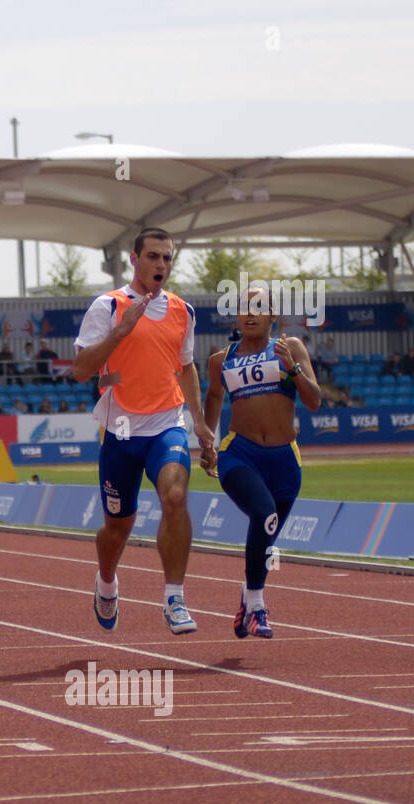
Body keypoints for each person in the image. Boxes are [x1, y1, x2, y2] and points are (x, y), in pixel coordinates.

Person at [71, 226, 214, 634]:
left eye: (167, 258)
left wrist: (200, 422)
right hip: (120, 431)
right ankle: (106, 582)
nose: (161, 265)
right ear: (134, 260)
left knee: (175, 495)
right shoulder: (108, 307)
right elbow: (81, 370)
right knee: (117, 528)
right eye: (153, 256)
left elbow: (186, 368)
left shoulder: (182, 312)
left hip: (167, 424)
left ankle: (174, 598)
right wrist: (121, 331)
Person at [201, 287, 320, 638]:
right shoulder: (221, 360)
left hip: (284, 460)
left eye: (258, 307)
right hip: (240, 453)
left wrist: (294, 368)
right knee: (264, 514)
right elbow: (213, 397)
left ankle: (247, 598)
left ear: (272, 316)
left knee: (267, 536)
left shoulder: (290, 348)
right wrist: (207, 441)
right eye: (243, 308)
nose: (249, 313)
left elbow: (314, 401)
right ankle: (256, 604)